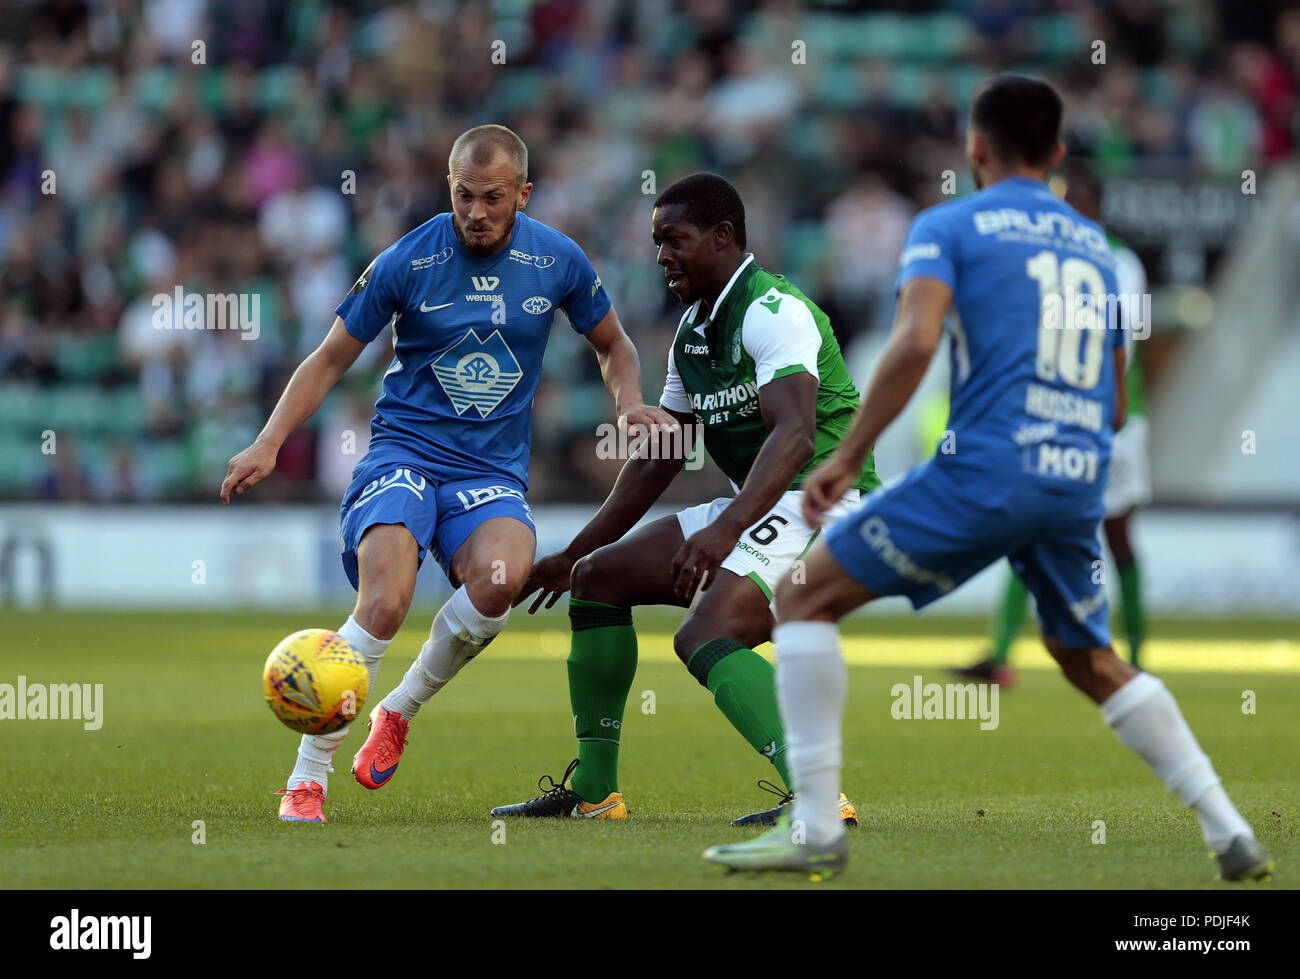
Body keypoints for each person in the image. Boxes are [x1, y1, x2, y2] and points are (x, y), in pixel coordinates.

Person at [703, 77, 1272, 882]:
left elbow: (912, 344)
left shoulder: (948, 225)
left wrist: (843, 454)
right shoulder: (1094, 248)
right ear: (1060, 153)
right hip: (1077, 474)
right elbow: (1113, 396)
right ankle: (1230, 831)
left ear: (975, 148)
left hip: (986, 469)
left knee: (802, 597)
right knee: (1089, 658)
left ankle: (817, 828)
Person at [221, 124, 676, 823]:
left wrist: (632, 402)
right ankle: (307, 777)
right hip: (403, 453)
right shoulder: (409, 259)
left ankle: (397, 711)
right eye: (465, 195)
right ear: (450, 188)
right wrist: (268, 441)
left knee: (501, 582)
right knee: (385, 602)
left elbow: (612, 344)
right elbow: (329, 358)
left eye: (494, 198)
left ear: (523, 194)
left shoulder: (558, 260)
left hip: (488, 470)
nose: (477, 212)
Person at [492, 173, 877, 825]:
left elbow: (795, 434)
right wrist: (574, 551)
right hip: (766, 505)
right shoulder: (693, 334)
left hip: (827, 505)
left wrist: (727, 526)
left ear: (723, 238)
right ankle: (594, 788)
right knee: (597, 579)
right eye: (656, 241)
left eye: (676, 239)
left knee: (708, 632)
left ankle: (816, 795)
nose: (662, 254)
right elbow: (662, 456)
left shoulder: (772, 310)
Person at [956, 162, 1150, 685]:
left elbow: (1119, 345)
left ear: (1096, 205)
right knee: (1029, 527)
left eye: (1078, 200)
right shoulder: (1052, 257)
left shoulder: (1121, 261)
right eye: (1064, 199)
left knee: (1118, 535)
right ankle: (999, 656)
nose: (1069, 210)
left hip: (1114, 418)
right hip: (1057, 413)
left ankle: (1138, 655)